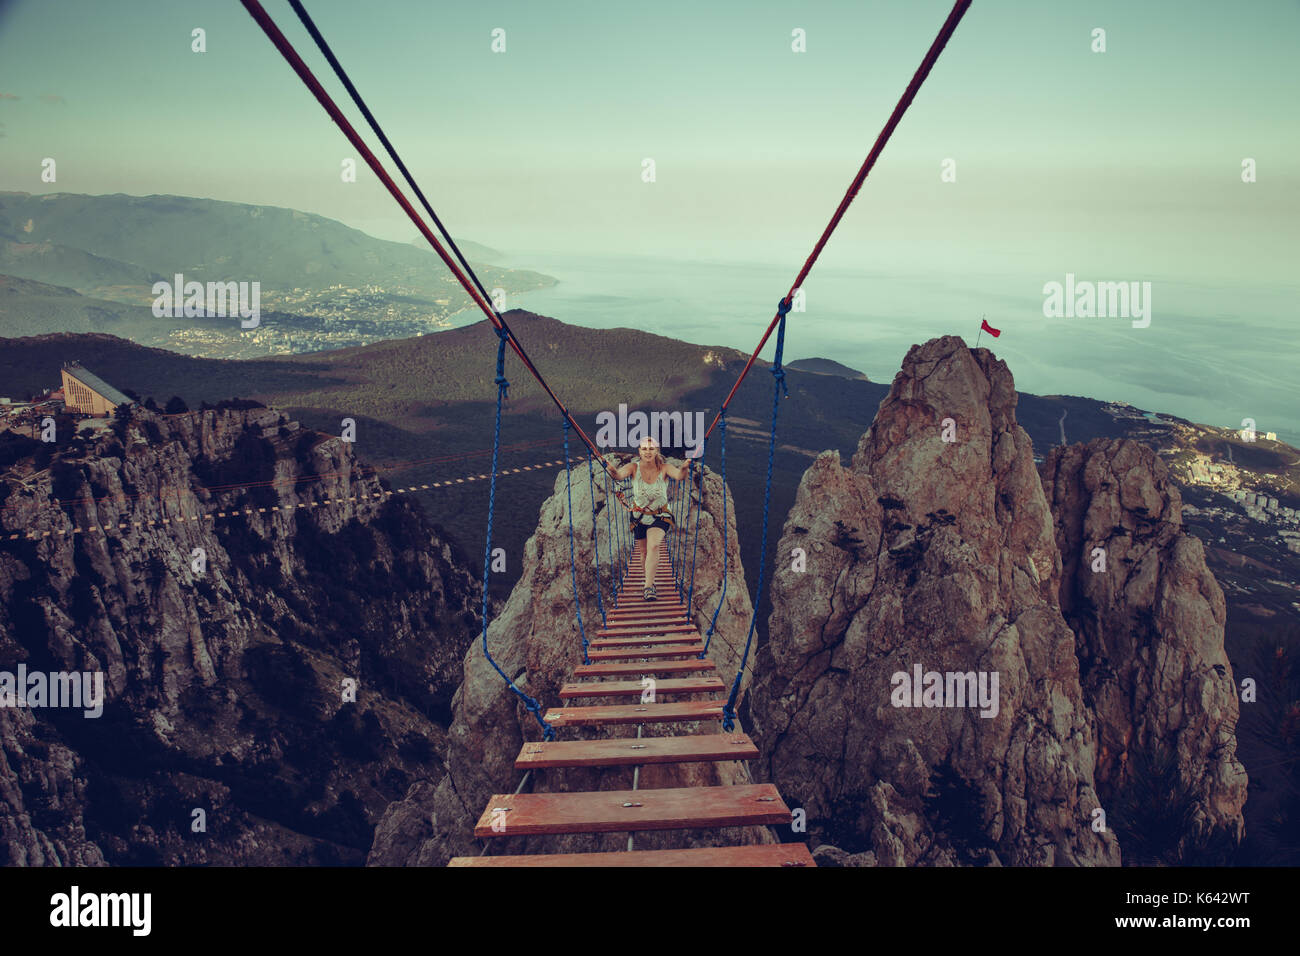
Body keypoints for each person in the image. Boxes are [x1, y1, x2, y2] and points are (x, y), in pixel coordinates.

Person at [604, 436, 694, 601]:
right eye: (644, 449)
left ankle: (648, 586)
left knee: (654, 546)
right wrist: (612, 470)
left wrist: (685, 467)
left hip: (661, 515)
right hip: (638, 516)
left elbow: (680, 476)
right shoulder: (633, 467)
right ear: (639, 451)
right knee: (644, 552)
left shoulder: (665, 468)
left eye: (651, 449)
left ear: (656, 451)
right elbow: (618, 475)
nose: (648, 452)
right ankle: (649, 579)